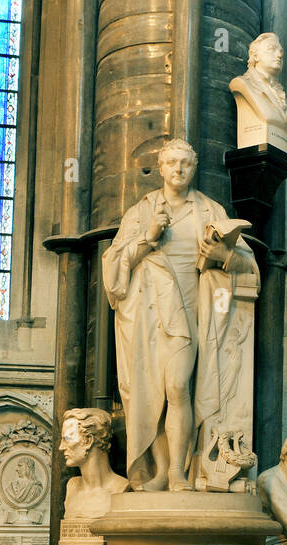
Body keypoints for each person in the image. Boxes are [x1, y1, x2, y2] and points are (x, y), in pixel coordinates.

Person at [101, 139, 256, 491]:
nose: (178, 170)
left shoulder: (209, 210)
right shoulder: (141, 211)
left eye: (185, 163)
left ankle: (177, 472)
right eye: (171, 163)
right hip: (146, 314)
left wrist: (223, 255)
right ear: (160, 167)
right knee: (149, 391)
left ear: (194, 167)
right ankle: (160, 472)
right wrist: (148, 237)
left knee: (177, 386)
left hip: (189, 312)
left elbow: (249, 267)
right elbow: (113, 271)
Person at [60, 407, 129, 520]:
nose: (61, 447)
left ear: (88, 441)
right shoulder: (72, 486)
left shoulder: (120, 489)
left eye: (67, 439)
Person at [229, 33, 287, 148]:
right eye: (271, 49)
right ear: (256, 56)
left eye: (281, 52)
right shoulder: (241, 84)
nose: (279, 55)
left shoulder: (280, 92)